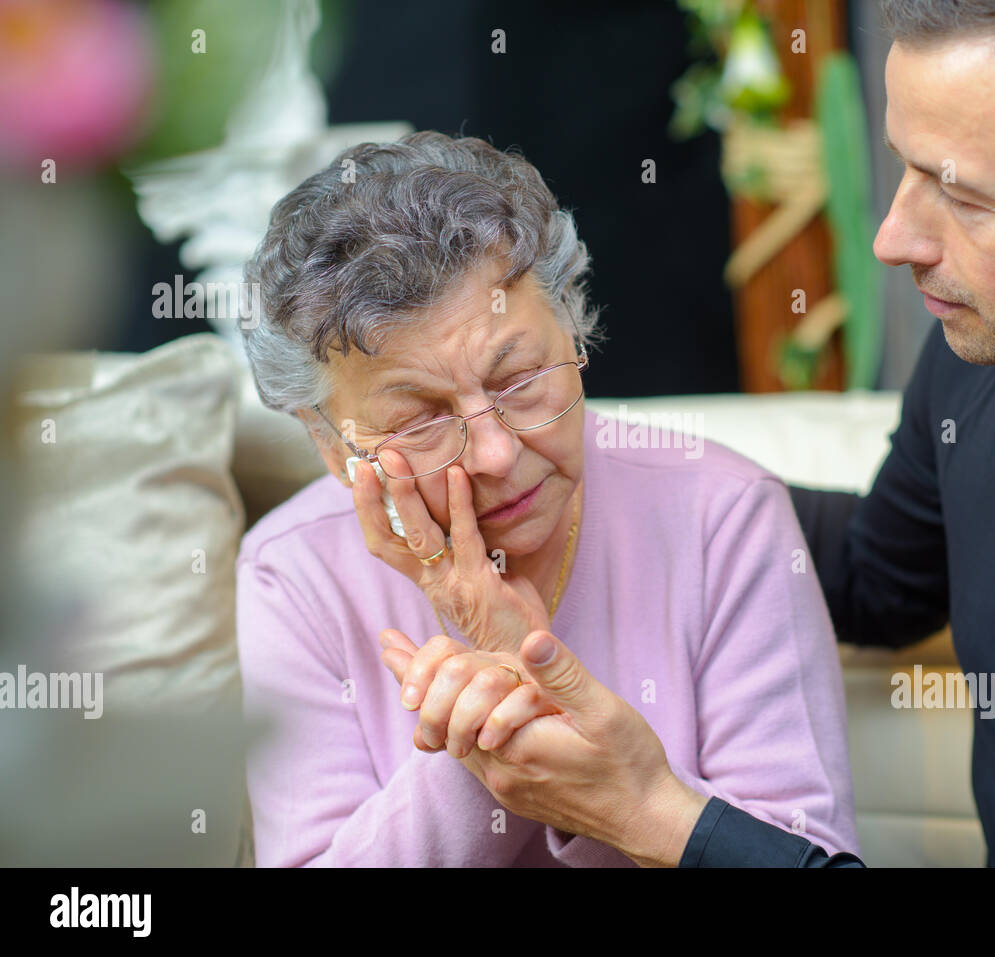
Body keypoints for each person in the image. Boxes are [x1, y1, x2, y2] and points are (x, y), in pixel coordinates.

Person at [396, 0, 995, 866]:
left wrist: (651, 812)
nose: (894, 236)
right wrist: (545, 467)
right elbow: (878, 574)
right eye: (903, 164)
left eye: (964, 198)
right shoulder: (990, 355)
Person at [233, 131, 860, 866]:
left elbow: (801, 854)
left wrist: (596, 773)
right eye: (420, 420)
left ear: (572, 326)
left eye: (520, 377)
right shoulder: (293, 573)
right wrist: (479, 745)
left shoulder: (724, 514)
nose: (499, 452)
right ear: (334, 447)